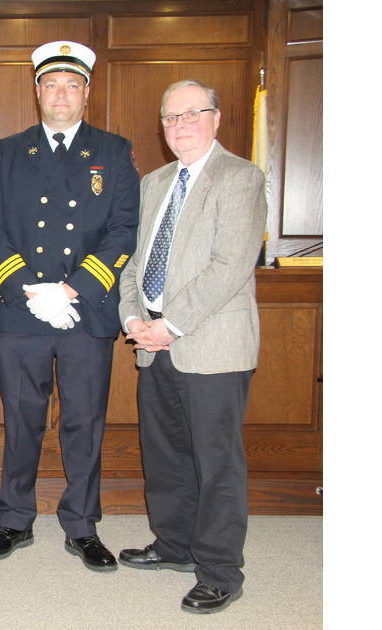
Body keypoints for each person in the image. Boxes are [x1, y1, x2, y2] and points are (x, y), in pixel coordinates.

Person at [0, 41, 138, 572]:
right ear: (37, 91)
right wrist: (28, 285)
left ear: (87, 93)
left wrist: (71, 289)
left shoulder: (113, 151)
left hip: (84, 310)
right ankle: (14, 519)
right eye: (51, 84)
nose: (61, 93)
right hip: (23, 310)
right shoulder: (9, 149)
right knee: (22, 420)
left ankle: (82, 525)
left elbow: (122, 230)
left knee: (84, 422)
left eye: (72, 84)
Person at [117, 79, 266, 614]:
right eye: (170, 118)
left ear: (216, 118)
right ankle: (174, 545)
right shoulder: (154, 182)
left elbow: (230, 265)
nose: (180, 125)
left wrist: (170, 324)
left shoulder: (240, 177)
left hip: (210, 344)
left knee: (215, 461)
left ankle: (221, 570)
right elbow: (136, 263)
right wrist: (133, 315)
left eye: (191, 114)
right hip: (152, 341)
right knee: (166, 456)